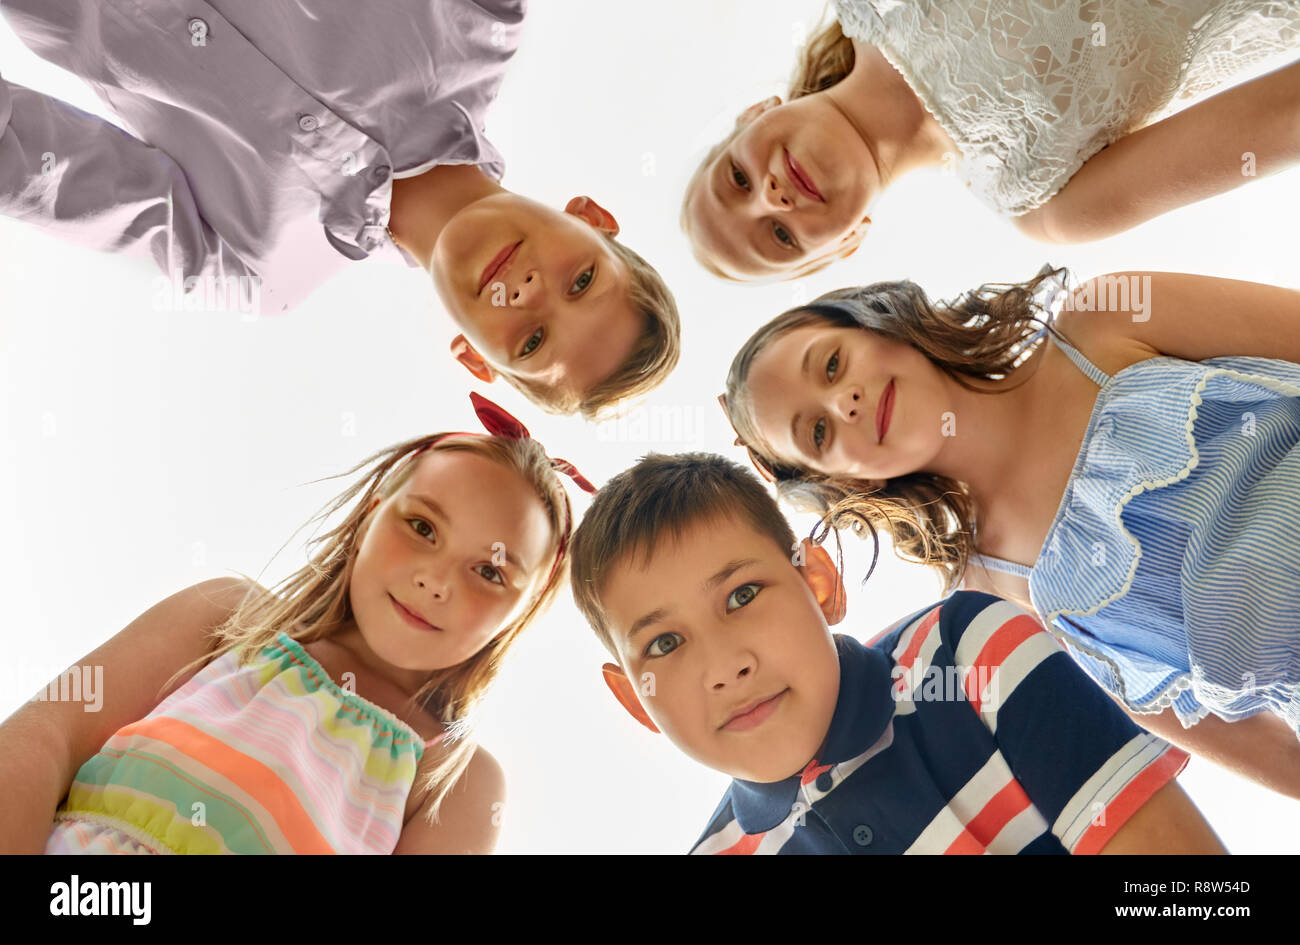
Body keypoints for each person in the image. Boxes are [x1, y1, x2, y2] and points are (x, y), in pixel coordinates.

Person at [720, 263, 1300, 798]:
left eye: (831, 364)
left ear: (878, 324)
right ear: (851, 484)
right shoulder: (994, 603)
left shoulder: (1102, 322)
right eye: (818, 432)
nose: (843, 402)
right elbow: (1241, 739)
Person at [0, 0, 680, 417]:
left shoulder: (256, 272)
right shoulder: (484, 14)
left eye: (532, 342)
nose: (533, 294)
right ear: (593, 218)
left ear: (476, 361)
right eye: (583, 280)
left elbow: (36, 166)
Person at [0, 392, 592, 853]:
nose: (436, 580)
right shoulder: (230, 619)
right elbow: (44, 737)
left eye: (489, 573)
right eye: (422, 527)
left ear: (520, 614)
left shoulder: (456, 780)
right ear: (369, 515)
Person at [567, 452, 1224, 854]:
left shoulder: (969, 656)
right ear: (635, 699)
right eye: (665, 643)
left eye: (741, 595)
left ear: (819, 583)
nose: (724, 665)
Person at [681, 0, 1300, 281]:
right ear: (849, 243)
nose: (770, 198)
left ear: (754, 114)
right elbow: (1282, 118)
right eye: (781, 237)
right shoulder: (1047, 206)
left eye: (736, 178)